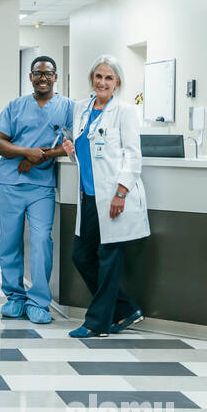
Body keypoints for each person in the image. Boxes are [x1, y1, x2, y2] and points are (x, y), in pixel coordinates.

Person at [59, 55, 149, 338]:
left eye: (108, 78)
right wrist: (71, 151)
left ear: (117, 82)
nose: (102, 82)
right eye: (98, 76)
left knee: (109, 259)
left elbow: (133, 157)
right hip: (88, 195)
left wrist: (121, 193)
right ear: (91, 79)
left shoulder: (125, 112)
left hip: (113, 196)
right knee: (81, 256)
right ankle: (126, 309)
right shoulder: (81, 108)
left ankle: (97, 323)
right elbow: (89, 154)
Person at [0, 56, 77, 324]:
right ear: (30, 77)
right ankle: (15, 296)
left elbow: (70, 144)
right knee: (10, 241)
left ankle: (39, 300)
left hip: (41, 186)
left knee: (41, 240)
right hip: (10, 182)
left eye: (48, 73)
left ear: (55, 77)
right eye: (37, 73)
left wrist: (38, 157)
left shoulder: (68, 108)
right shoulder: (16, 106)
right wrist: (25, 151)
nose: (43, 78)